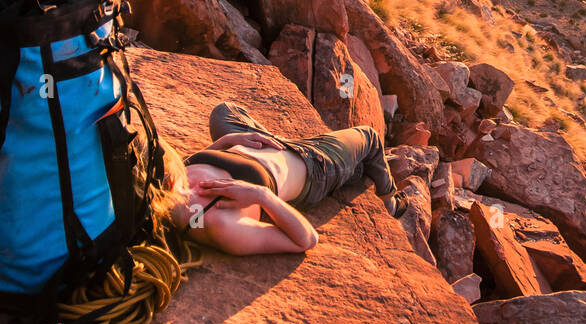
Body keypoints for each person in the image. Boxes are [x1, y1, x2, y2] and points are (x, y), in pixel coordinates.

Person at [152, 102, 405, 256]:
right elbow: (306, 240)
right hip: (313, 164)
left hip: (259, 144)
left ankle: (354, 170)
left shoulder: (173, 186)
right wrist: (261, 196)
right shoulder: (220, 224)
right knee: (369, 137)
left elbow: (202, 163)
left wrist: (228, 142)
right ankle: (390, 201)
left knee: (224, 111)